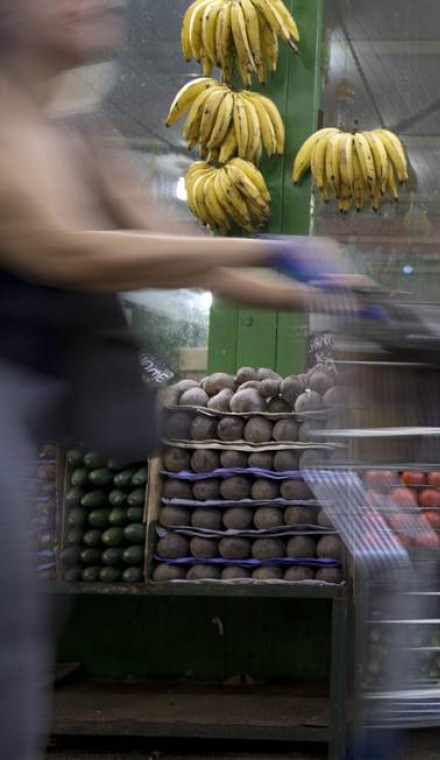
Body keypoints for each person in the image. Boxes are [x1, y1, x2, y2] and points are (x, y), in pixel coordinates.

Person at [0, 0, 354, 756]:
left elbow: (170, 245)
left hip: (26, 411)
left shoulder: (75, 133)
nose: (92, 7)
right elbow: (63, 250)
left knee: (15, 643)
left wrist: (331, 293)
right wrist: (269, 250)